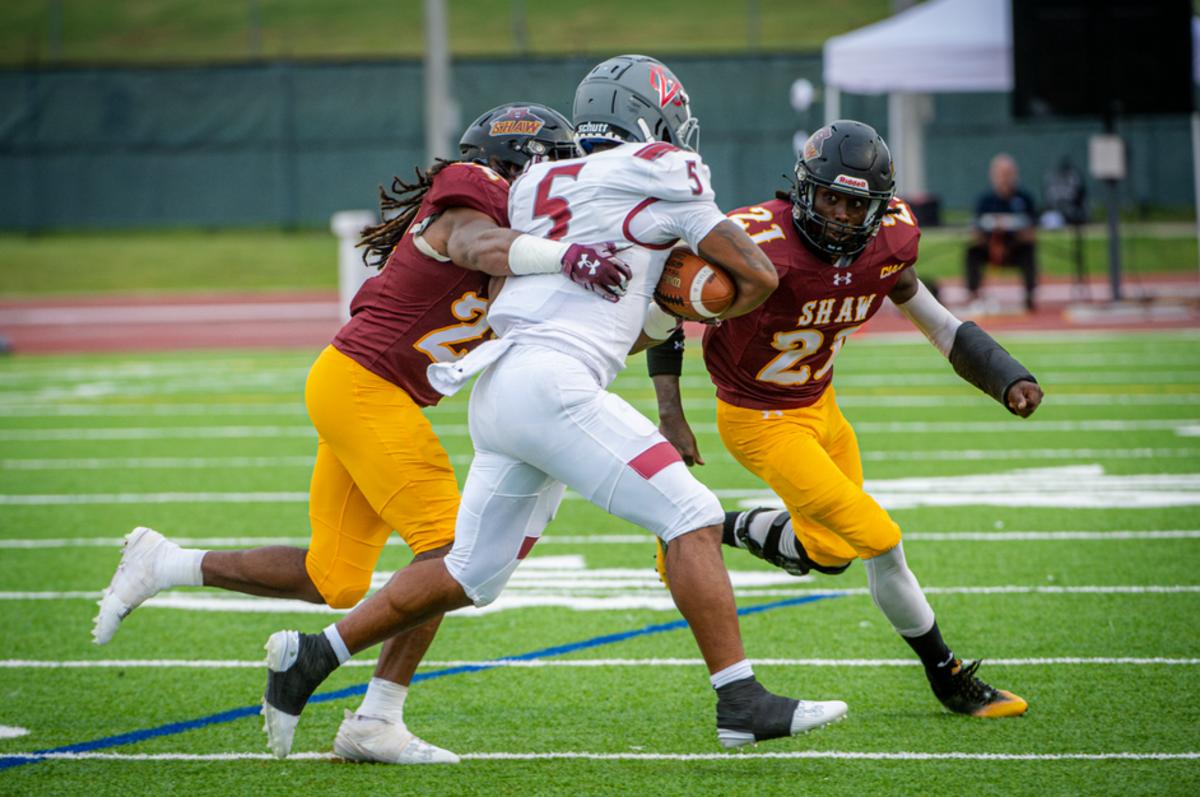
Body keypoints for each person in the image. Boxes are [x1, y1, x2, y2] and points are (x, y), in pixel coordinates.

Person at [259, 54, 850, 760]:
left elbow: (605, 305)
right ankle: (741, 700)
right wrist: (726, 305)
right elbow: (752, 271)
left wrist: (659, 315)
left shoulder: (537, 180)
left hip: (502, 386)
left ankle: (312, 658)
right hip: (552, 385)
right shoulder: (664, 168)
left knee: (468, 570)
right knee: (690, 514)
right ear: (651, 117)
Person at [91, 102, 630, 764]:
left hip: (364, 387)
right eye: (558, 167)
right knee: (451, 553)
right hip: (364, 385)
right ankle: (377, 717)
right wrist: (568, 255)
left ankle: (167, 561)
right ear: (521, 163)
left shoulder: (514, 228)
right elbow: (475, 246)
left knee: (335, 577)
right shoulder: (472, 190)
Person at [647, 120, 1043, 719]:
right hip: (759, 421)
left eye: (854, 204)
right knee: (881, 540)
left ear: (877, 208)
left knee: (828, 553)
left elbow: (939, 324)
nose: (837, 214)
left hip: (821, 407)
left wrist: (1004, 374)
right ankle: (949, 676)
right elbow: (667, 313)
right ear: (805, 188)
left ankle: (699, 529)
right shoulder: (754, 242)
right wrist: (671, 415)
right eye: (829, 196)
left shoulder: (888, 244)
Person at [964, 153, 1039, 311]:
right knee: (972, 251)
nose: (1004, 178)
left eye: (1008, 174)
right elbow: (974, 232)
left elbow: (1033, 232)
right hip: (990, 247)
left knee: (1029, 252)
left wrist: (1015, 229)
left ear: (1015, 175)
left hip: (1015, 247)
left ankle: (1030, 296)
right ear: (993, 176)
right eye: (1000, 174)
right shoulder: (985, 201)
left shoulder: (1025, 199)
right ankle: (973, 295)